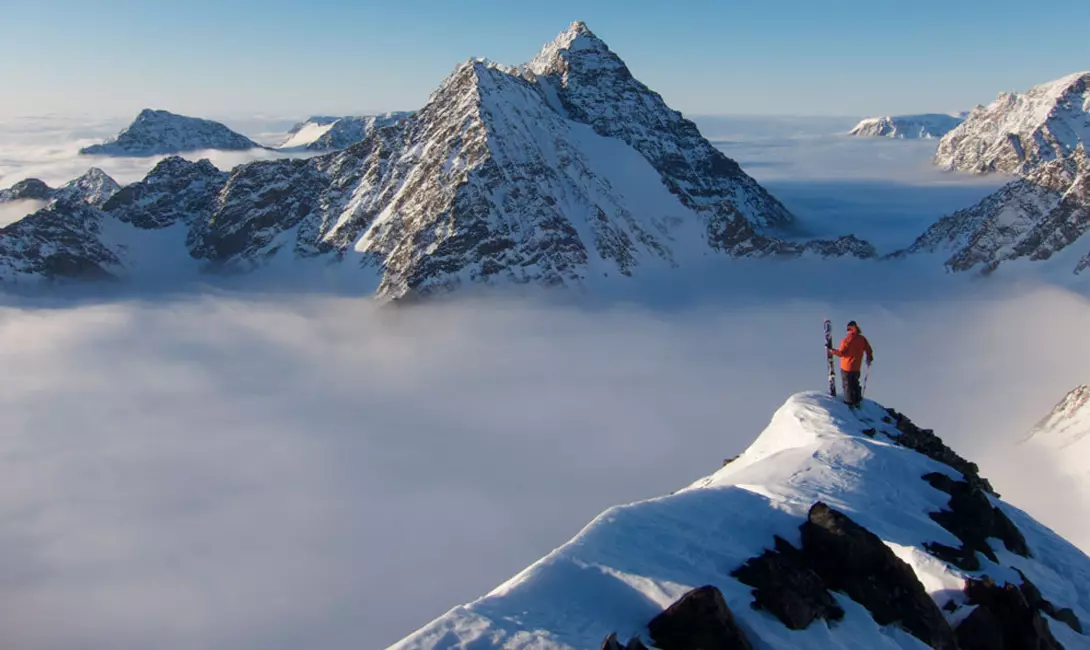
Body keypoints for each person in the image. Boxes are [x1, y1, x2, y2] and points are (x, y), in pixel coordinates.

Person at [829, 320, 873, 408]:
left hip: (847, 367)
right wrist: (869, 358)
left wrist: (831, 351)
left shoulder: (847, 340)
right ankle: (857, 400)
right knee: (855, 383)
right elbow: (868, 349)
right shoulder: (862, 339)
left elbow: (841, 353)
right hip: (856, 367)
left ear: (849, 329)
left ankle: (849, 403)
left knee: (847, 385)